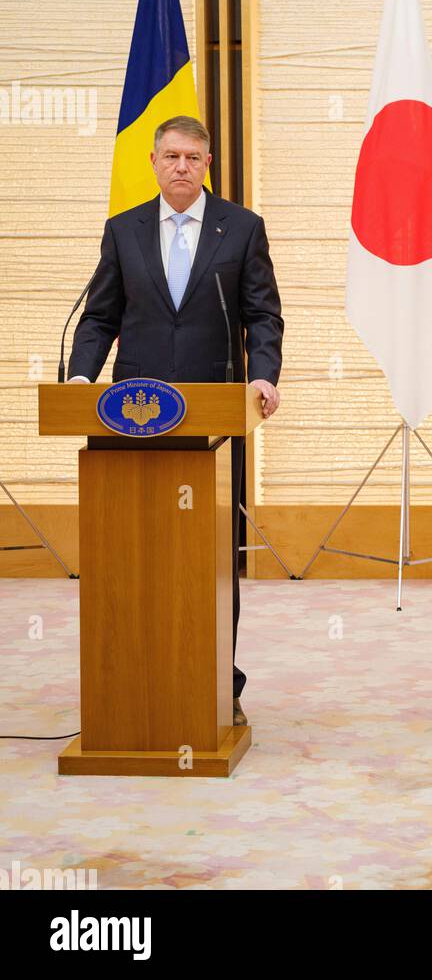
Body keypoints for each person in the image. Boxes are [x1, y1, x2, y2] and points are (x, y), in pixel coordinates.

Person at [67, 115, 283, 726]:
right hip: (129, 420)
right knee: (133, 547)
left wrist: (263, 375)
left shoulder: (241, 229)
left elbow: (263, 315)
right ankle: (132, 677)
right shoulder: (124, 230)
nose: (181, 166)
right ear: (154, 162)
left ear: (207, 164)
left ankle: (219, 679)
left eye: (193, 157)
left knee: (210, 555)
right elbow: (100, 316)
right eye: (171, 156)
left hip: (212, 420)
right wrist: (81, 380)